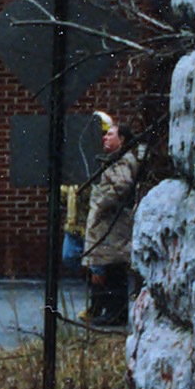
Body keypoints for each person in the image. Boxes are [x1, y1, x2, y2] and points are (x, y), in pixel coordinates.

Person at [84, 111, 142, 328]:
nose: (105, 138)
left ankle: (115, 314)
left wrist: (101, 203)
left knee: (115, 272)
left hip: (114, 229)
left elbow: (121, 186)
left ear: (123, 140)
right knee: (110, 271)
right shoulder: (114, 161)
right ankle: (109, 311)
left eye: (111, 135)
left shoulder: (122, 162)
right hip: (110, 229)